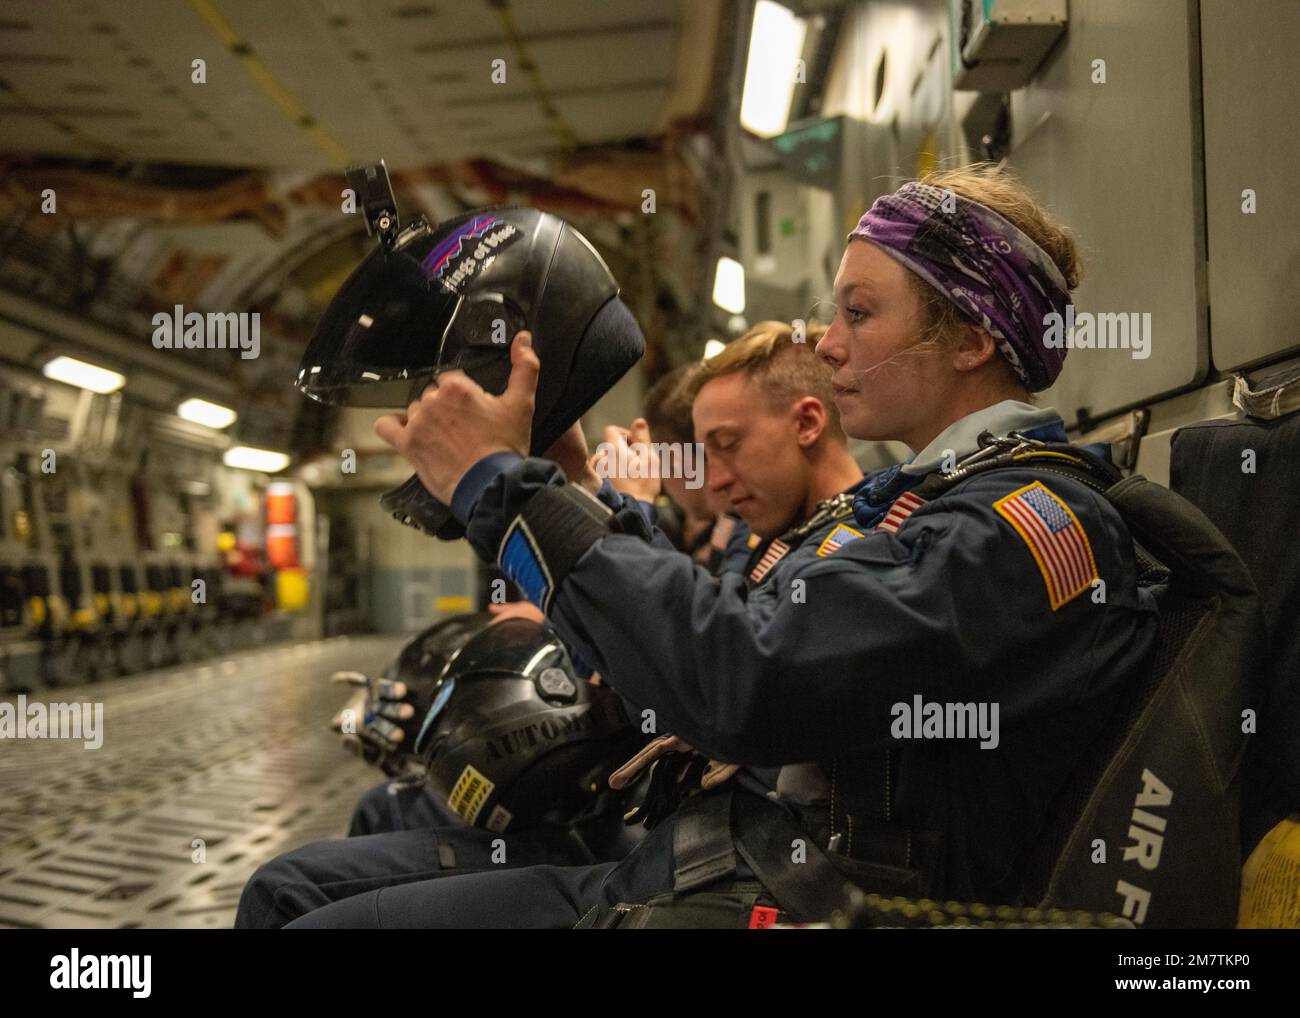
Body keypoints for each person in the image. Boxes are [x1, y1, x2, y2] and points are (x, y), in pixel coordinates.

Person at [283, 165, 1158, 928]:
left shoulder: (1026, 528)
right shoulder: (929, 505)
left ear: (971, 337)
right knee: (303, 896)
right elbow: (737, 628)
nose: (828, 340)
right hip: (725, 866)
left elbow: (746, 677)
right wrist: (577, 497)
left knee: (304, 910)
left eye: (860, 311)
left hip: (785, 896)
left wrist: (502, 488)